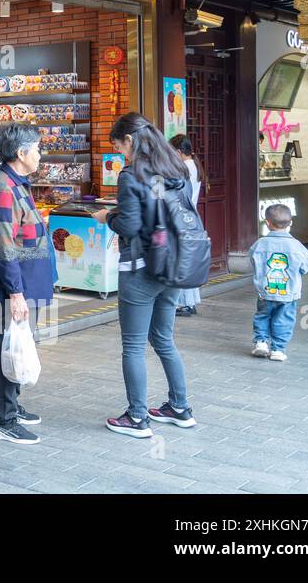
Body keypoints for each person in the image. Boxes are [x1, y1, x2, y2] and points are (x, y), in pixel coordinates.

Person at [93, 112, 195, 438]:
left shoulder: (131, 174)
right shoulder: (175, 169)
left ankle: (137, 417)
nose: (119, 153)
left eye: (119, 146)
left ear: (130, 141)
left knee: (134, 346)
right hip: (172, 264)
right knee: (164, 339)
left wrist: (107, 216)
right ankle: (179, 407)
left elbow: (130, 226)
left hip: (140, 267)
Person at [0, 124, 56, 445]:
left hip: (23, 281)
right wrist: (16, 293)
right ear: (21, 154)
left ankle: (12, 406)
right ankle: (3, 419)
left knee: (17, 342)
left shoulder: (17, 182)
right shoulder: (3, 187)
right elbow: (4, 246)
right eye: (36, 149)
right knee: (7, 345)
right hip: (10, 284)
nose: (39, 154)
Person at [250, 203, 308, 362]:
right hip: (288, 293)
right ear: (290, 223)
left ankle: (261, 342)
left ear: (267, 222)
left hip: (265, 292)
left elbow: (253, 261)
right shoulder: (297, 246)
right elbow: (305, 268)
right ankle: (278, 349)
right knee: (284, 319)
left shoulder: (259, 244)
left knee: (262, 315)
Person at [169, 134, 206, 316]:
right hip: (191, 218)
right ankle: (189, 302)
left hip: (182, 219)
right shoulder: (194, 166)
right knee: (188, 262)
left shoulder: (184, 169)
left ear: (177, 152)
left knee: (182, 262)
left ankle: (184, 304)